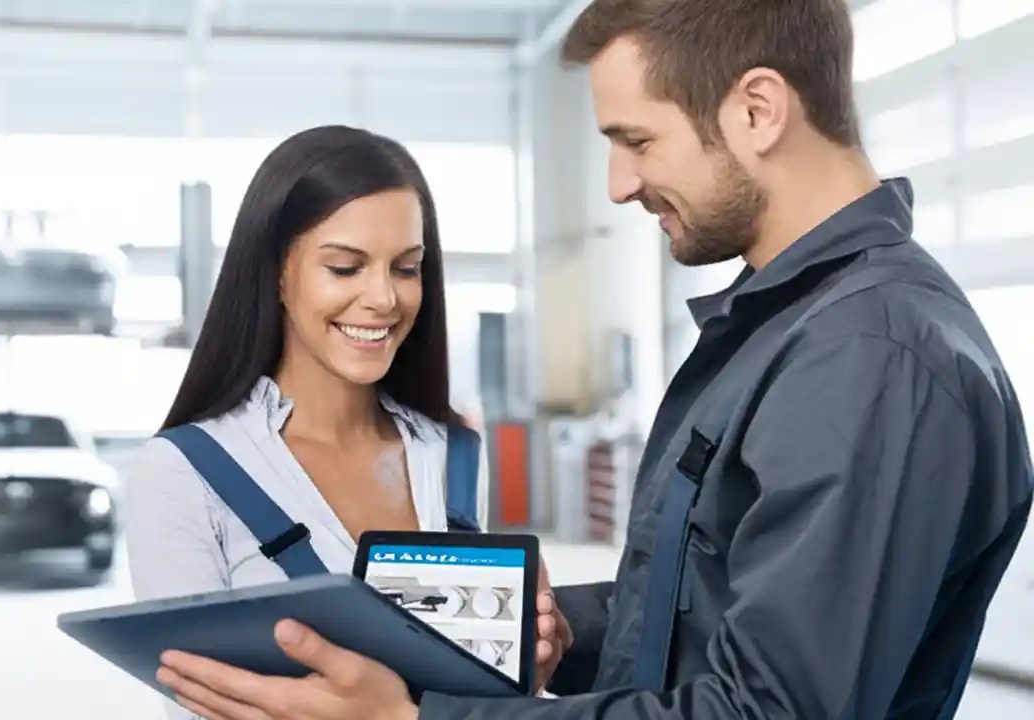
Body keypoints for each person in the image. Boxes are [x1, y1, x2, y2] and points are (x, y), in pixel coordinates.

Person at [153, 1, 1034, 719]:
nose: (616, 183)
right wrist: (552, 628)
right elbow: (724, 601)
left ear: (758, 111)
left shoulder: (870, 358)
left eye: (637, 140)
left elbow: (768, 712)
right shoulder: (795, 327)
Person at [125, 125, 571, 719]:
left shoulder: (453, 456)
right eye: (345, 267)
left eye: (406, 268)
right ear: (277, 272)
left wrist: (517, 680)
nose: (383, 298)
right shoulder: (181, 474)